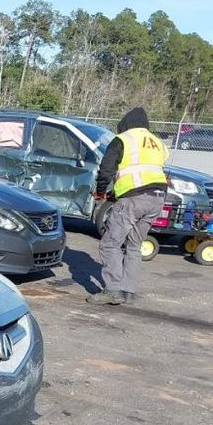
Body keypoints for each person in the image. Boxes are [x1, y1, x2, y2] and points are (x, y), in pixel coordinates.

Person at [87, 106, 169, 305]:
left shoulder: (123, 139)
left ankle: (112, 290)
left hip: (134, 199)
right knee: (134, 245)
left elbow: (107, 168)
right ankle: (128, 291)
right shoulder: (157, 142)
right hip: (157, 198)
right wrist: (116, 194)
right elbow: (142, 172)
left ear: (125, 124)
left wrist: (101, 191)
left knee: (110, 243)